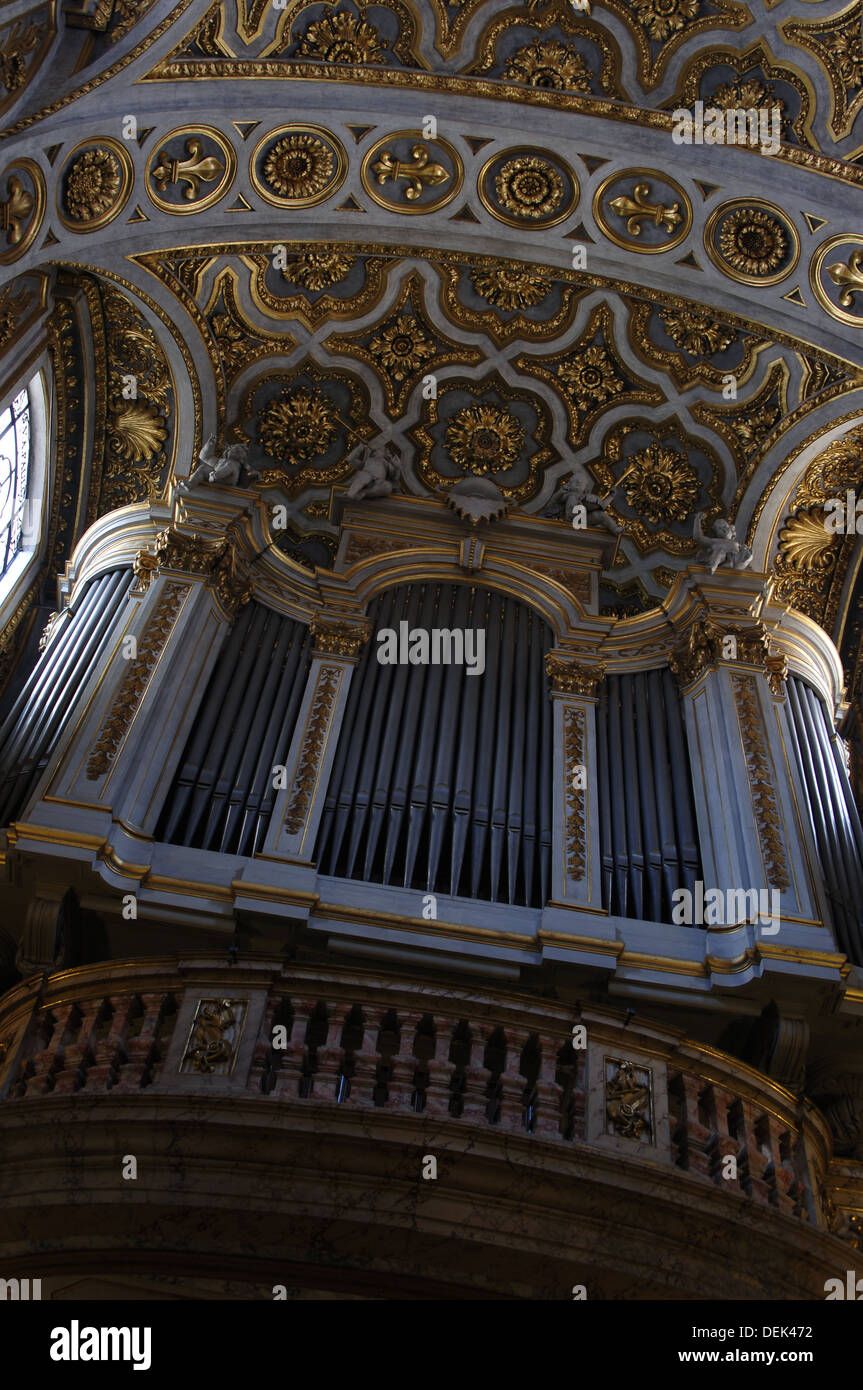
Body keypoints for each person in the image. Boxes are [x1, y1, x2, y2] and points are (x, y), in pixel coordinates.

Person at [183, 434, 256, 490]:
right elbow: (204, 457)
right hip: (217, 477)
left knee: (229, 465)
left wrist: (216, 475)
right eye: (231, 448)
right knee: (202, 468)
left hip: (225, 480)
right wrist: (209, 445)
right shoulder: (220, 461)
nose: (231, 449)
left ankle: (214, 476)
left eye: (236, 450)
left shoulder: (235, 464)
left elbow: (227, 469)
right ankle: (191, 484)